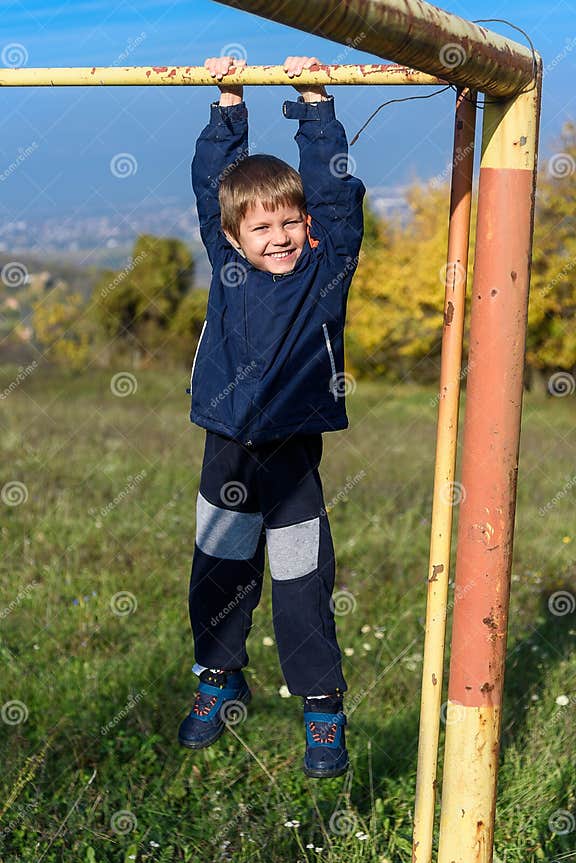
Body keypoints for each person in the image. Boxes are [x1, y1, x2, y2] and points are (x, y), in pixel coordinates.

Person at [178, 54, 365, 779]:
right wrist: (228, 101)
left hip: (291, 462)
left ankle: (322, 705)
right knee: (220, 571)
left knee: (300, 581)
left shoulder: (325, 271)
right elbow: (209, 189)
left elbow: (335, 195)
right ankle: (219, 679)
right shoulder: (227, 270)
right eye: (261, 227)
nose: (280, 236)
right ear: (232, 238)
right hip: (225, 449)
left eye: (290, 221)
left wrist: (314, 105)